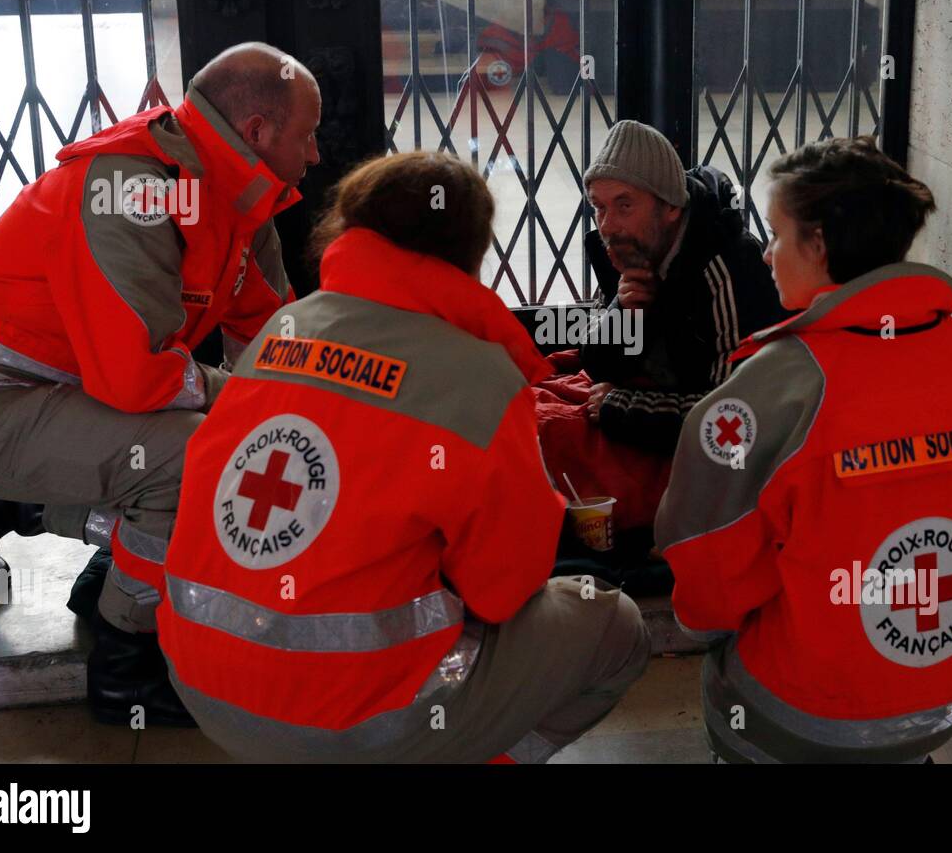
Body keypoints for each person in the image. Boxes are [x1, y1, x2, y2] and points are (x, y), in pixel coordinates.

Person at [157, 151, 651, 762]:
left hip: (201, 685)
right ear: (471, 253)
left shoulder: (284, 329)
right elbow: (503, 594)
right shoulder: (476, 376)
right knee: (614, 626)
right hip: (358, 718)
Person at [0, 41, 320, 725]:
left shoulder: (236, 199)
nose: (316, 154)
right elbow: (136, 381)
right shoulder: (133, 190)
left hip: (45, 396)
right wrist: (242, 403)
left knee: (223, 443)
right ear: (258, 131)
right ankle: (125, 667)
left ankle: (39, 530)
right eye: (308, 134)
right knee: (194, 461)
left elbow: (272, 346)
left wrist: (318, 413)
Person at [655, 136, 952, 763]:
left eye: (776, 234)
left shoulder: (770, 393)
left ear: (818, 245)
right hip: (949, 696)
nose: (765, 254)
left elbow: (707, 587)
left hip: (795, 718)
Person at [536, 120, 787, 542]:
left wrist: (623, 407)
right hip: (643, 402)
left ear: (670, 207)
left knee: (548, 436)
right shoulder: (629, 246)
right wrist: (623, 312)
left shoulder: (726, 269)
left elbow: (735, 417)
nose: (607, 224)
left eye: (624, 205)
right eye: (598, 207)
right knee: (518, 411)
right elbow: (597, 362)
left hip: (704, 446)